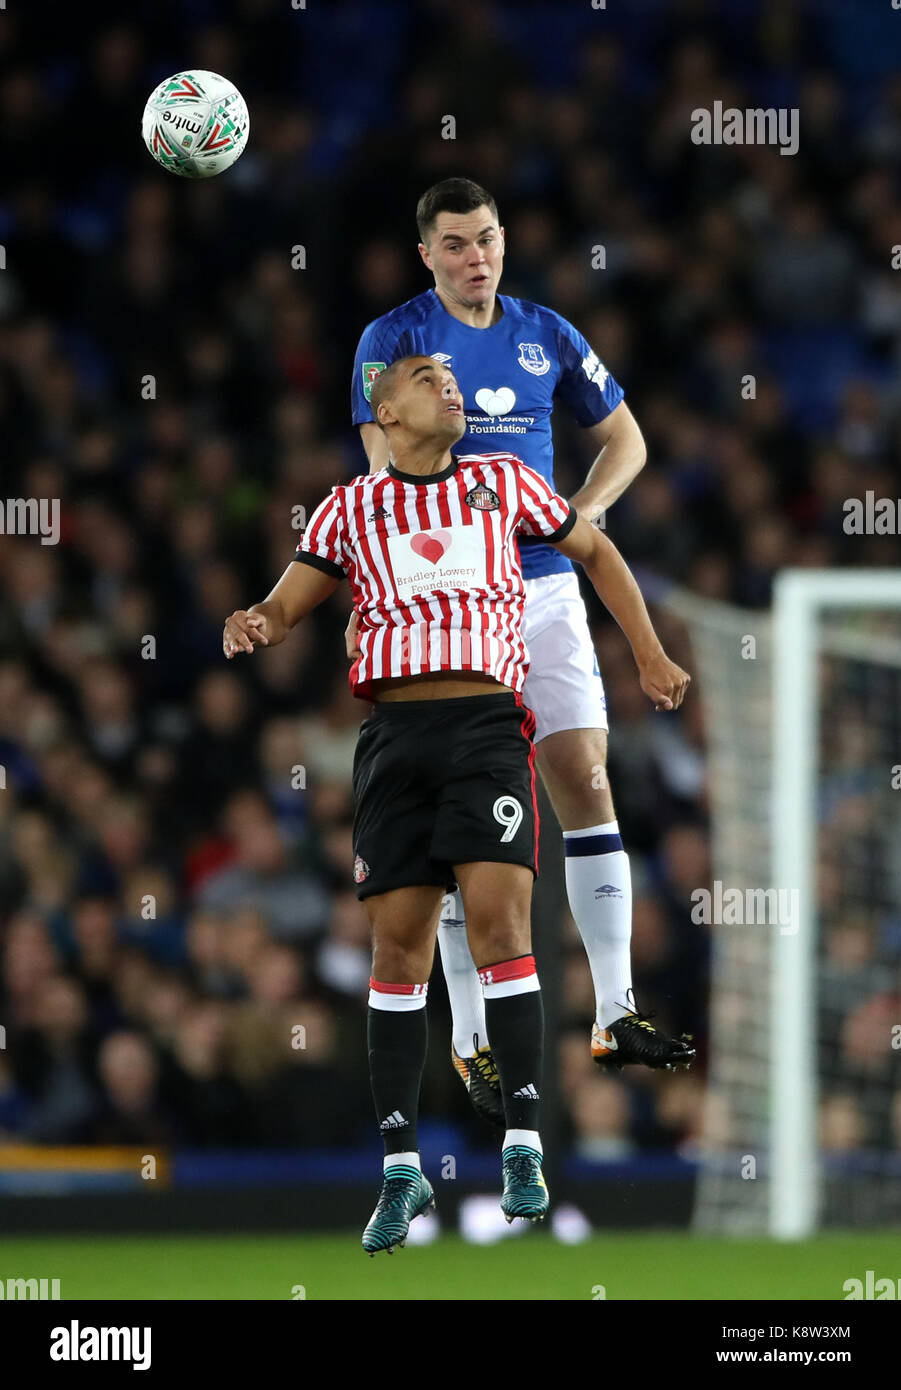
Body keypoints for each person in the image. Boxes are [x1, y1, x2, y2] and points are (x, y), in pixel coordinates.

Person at [223, 355, 690, 1254]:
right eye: (426, 378)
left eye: (452, 377)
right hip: (392, 741)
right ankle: (400, 1172)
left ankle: (522, 1147)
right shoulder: (348, 507)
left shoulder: (504, 483)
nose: (450, 387)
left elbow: (593, 549)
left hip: (485, 730)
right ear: (383, 410)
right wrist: (257, 620)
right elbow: (286, 605)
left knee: (501, 929)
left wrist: (647, 650)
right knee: (396, 952)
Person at [351, 178, 693, 1130]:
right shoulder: (393, 341)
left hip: (539, 586)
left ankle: (617, 1011)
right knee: (462, 818)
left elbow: (625, 438)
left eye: (489, 239)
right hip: (444, 597)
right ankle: (468, 1038)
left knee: (585, 776)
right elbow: (383, 473)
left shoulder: (546, 331)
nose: (476, 258)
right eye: (456, 244)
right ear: (426, 253)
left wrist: (581, 513)